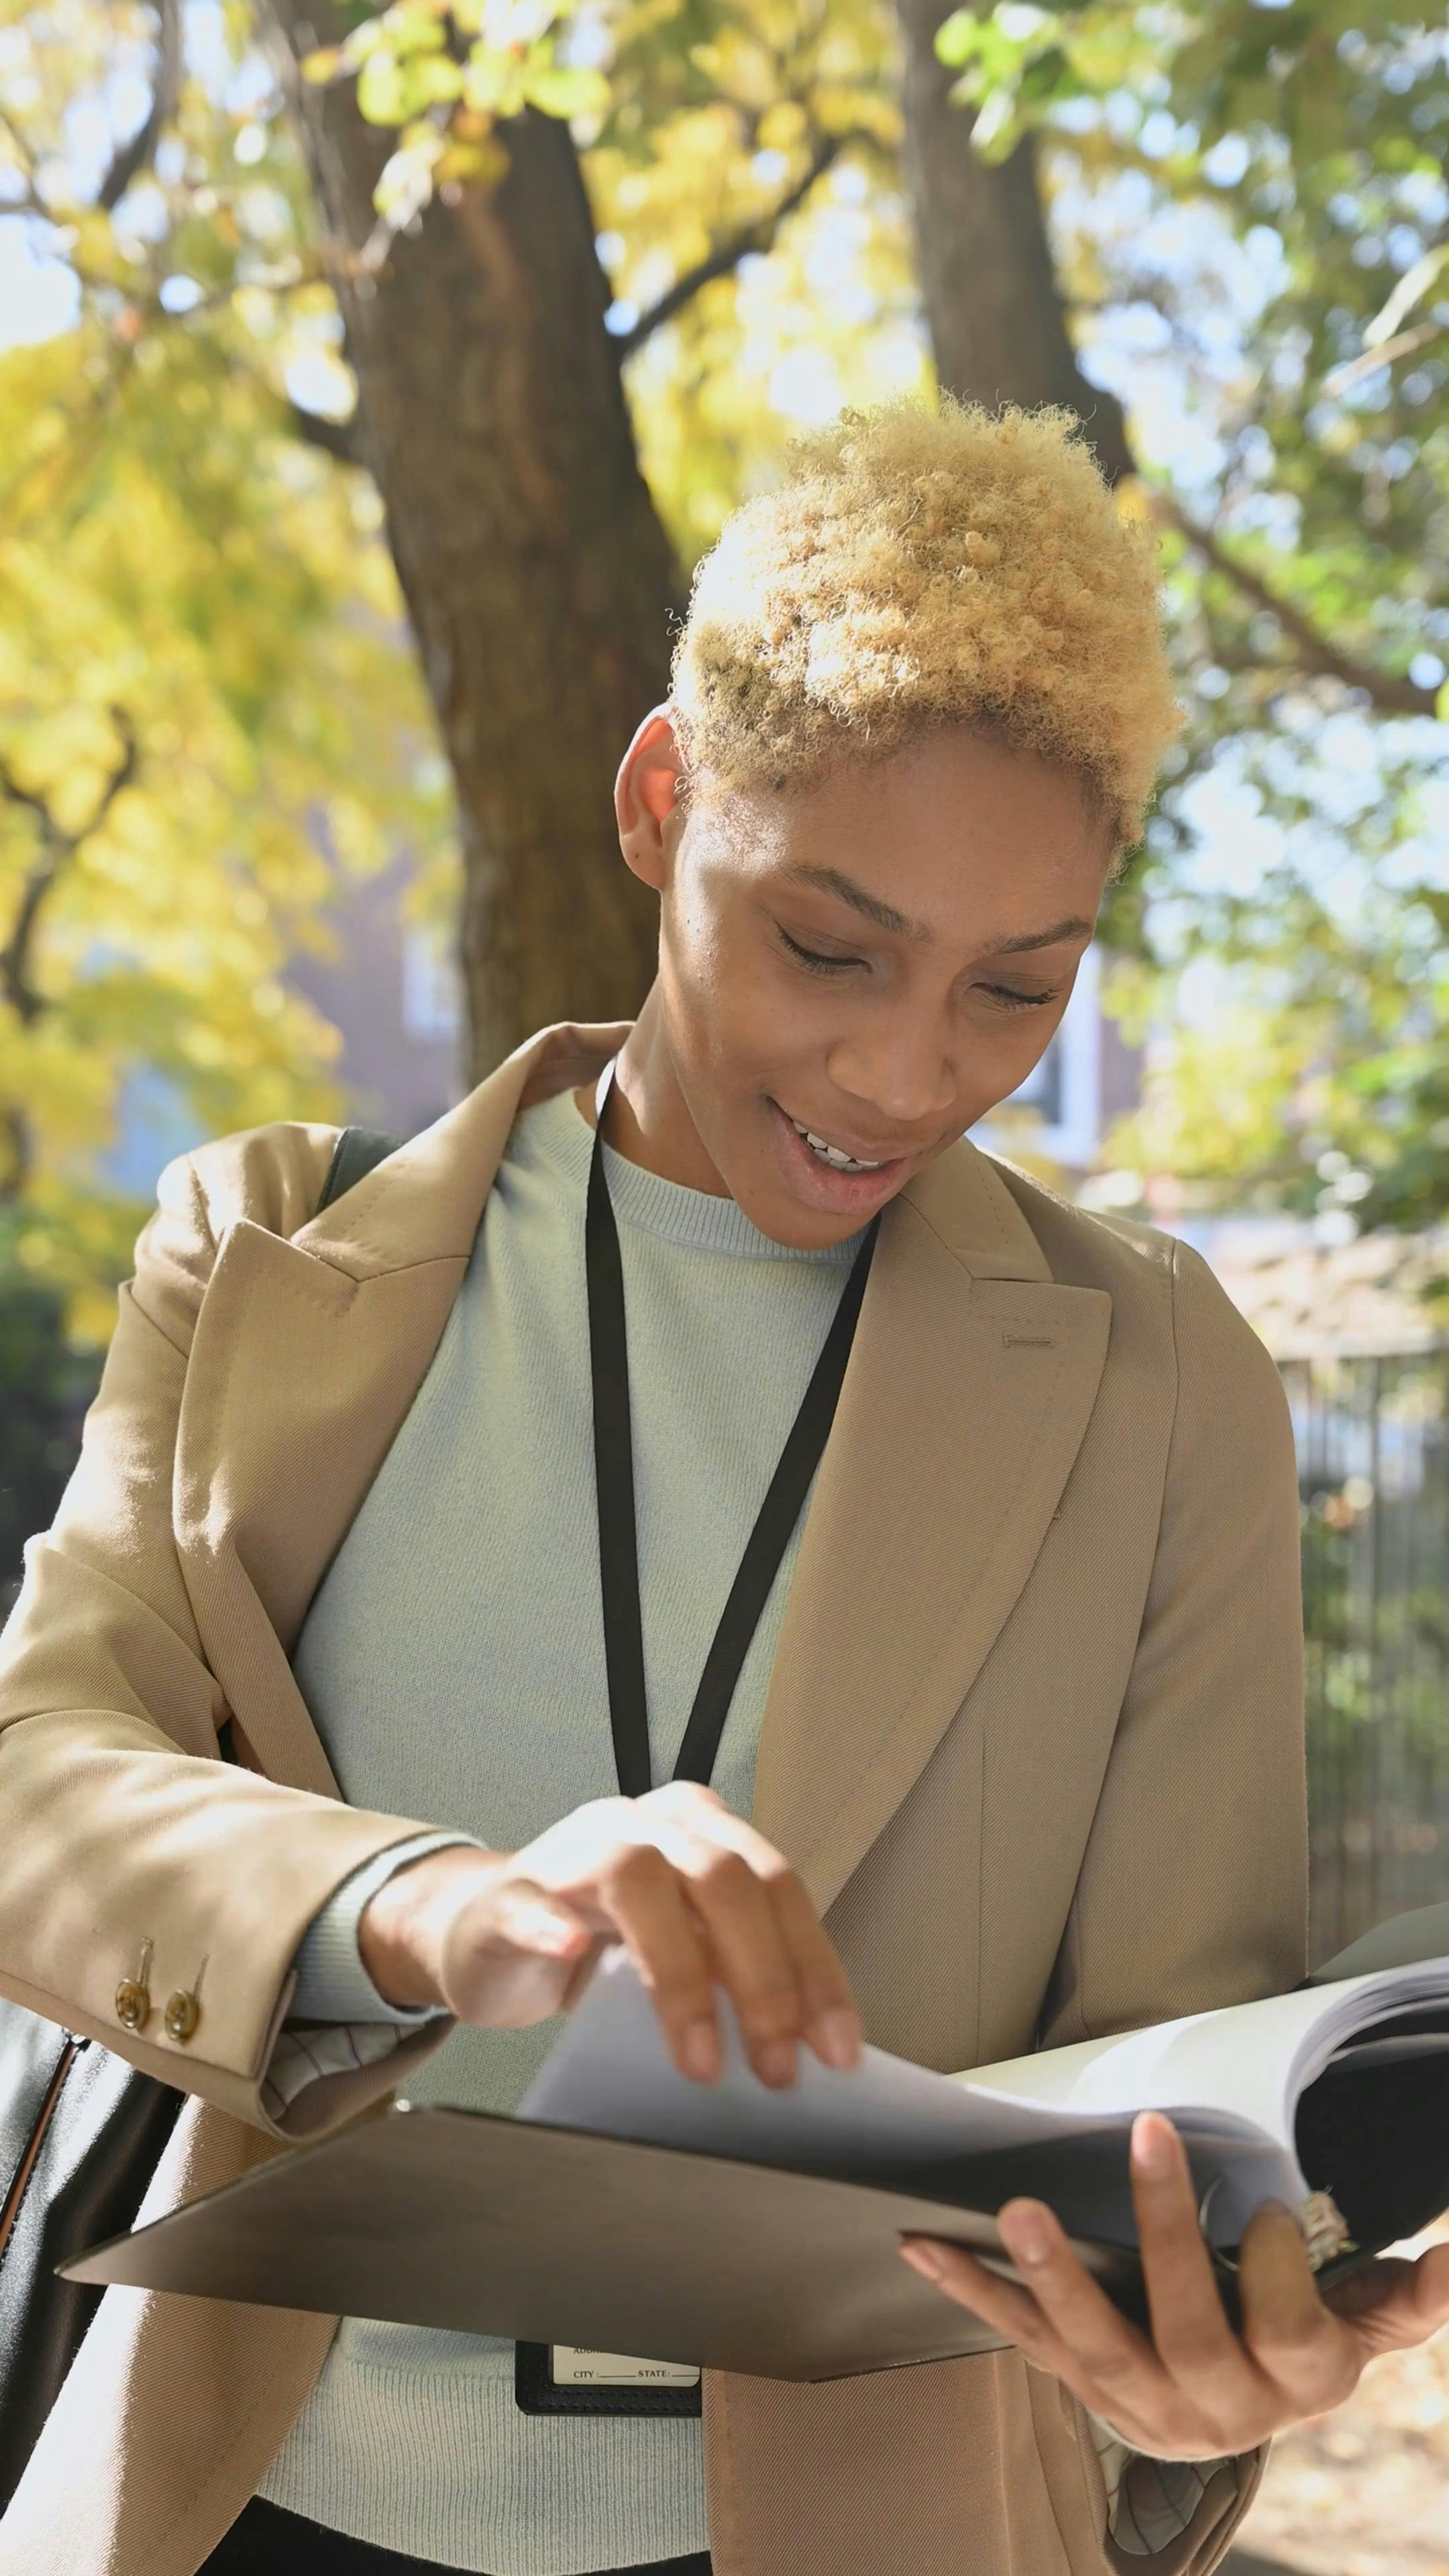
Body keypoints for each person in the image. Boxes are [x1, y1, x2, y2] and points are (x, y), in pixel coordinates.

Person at [1, 395, 1445, 2576]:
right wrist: (434, 1912)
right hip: (239, 2501)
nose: (904, 1074)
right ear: (664, 803)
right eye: (829, 947)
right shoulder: (269, 1244)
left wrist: (1194, 2363)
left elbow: (1178, 2090)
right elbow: (36, 1777)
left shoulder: (1159, 1377)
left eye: (1014, 990)